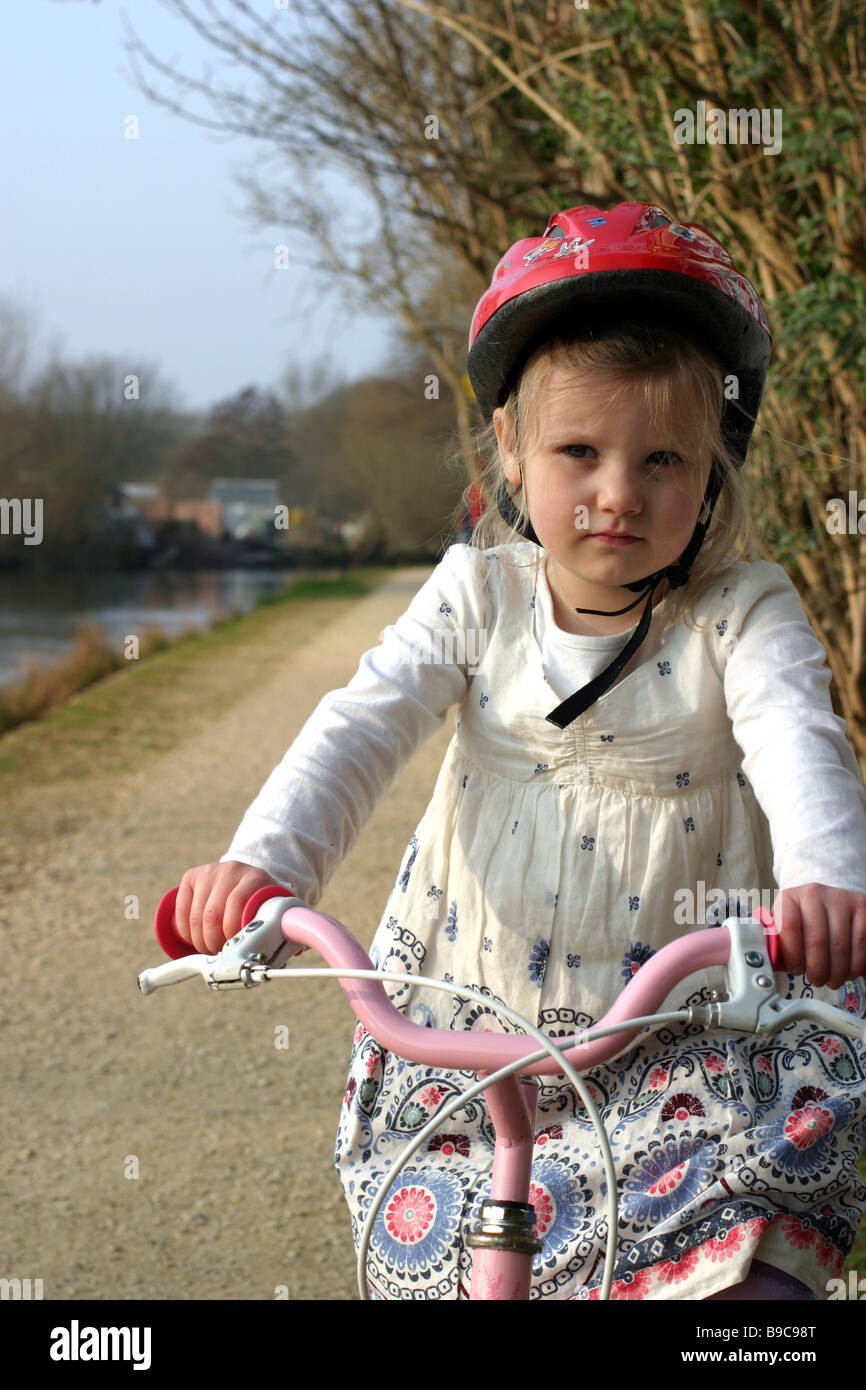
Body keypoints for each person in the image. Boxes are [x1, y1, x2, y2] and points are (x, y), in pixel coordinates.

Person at [172, 202, 866, 1301]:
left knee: (744, 1277)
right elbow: (363, 721)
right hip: (469, 1028)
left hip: (690, 1040)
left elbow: (798, 736)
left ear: (714, 464)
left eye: (661, 459)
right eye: (577, 451)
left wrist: (826, 883)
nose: (616, 494)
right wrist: (266, 865)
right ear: (509, 447)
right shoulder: (474, 596)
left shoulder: (741, 612)